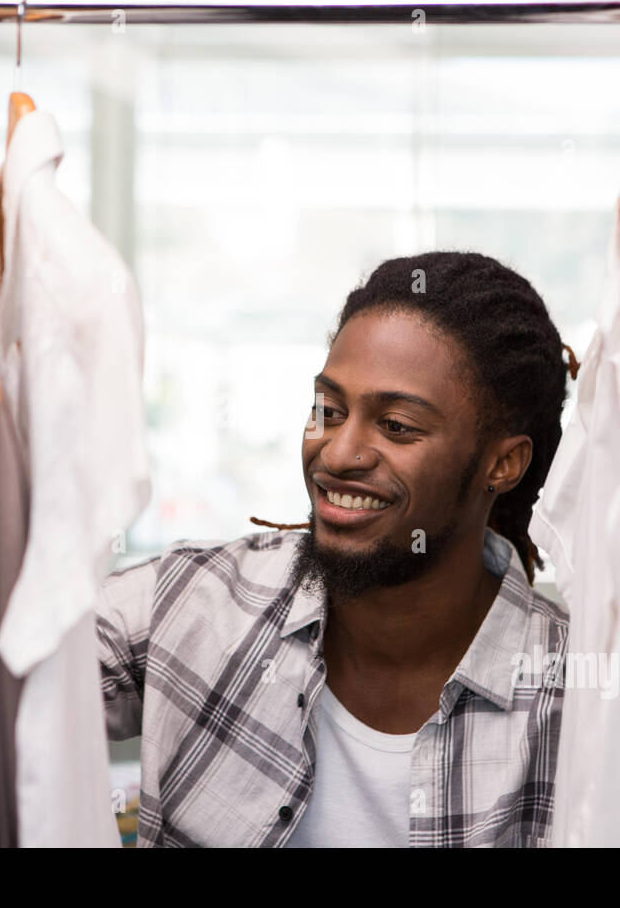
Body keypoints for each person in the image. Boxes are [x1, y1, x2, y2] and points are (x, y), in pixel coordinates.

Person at [96, 251, 574, 847]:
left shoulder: (577, 701)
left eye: (397, 425)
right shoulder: (192, 600)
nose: (339, 454)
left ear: (502, 463)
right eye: (329, 410)